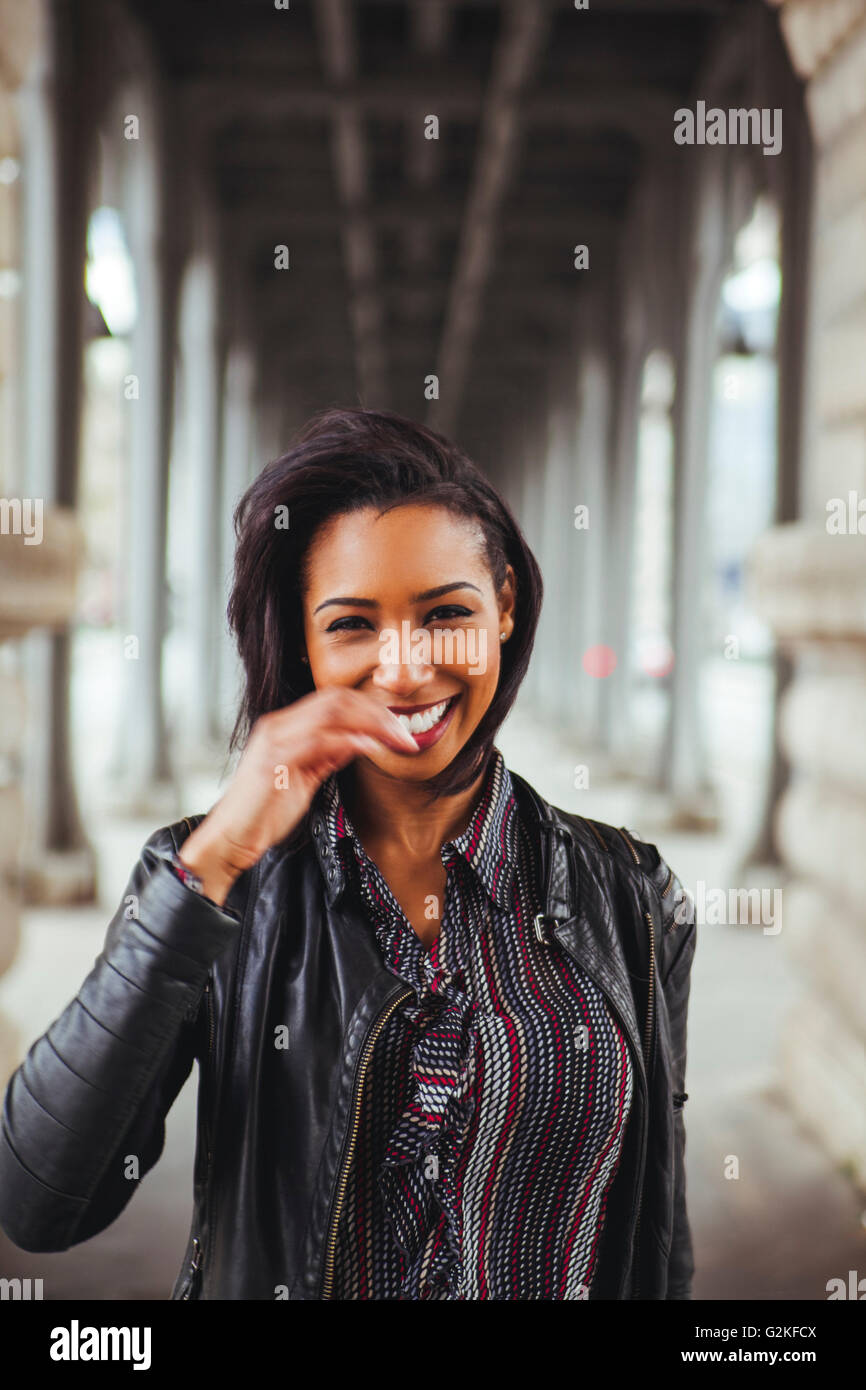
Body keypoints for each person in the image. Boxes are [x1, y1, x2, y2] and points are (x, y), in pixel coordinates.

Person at [0, 406, 696, 1300]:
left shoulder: (633, 896)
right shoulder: (211, 885)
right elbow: (40, 1200)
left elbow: (659, 1233)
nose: (404, 669)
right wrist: (215, 861)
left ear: (507, 605)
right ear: (303, 640)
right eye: (352, 624)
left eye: (446, 613)